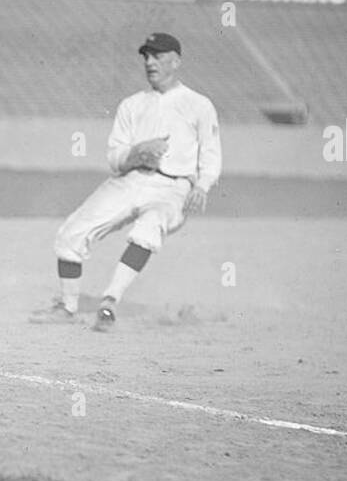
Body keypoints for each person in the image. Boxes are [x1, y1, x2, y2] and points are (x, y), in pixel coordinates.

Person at [37, 32, 221, 332]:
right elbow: (114, 157)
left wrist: (202, 186)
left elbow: (211, 155)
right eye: (146, 56)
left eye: (157, 56)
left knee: (148, 228)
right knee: (71, 233)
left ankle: (110, 301)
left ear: (175, 61)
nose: (150, 62)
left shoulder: (199, 105)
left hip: (173, 189)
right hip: (131, 179)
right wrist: (136, 153)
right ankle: (67, 308)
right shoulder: (132, 105)